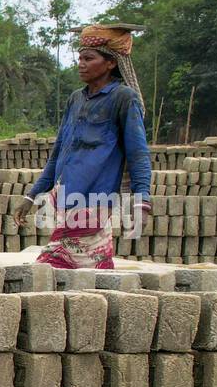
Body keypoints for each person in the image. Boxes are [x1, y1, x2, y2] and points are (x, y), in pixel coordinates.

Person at [16, 23, 152, 270]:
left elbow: (138, 153)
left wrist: (142, 201)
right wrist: (32, 195)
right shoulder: (76, 99)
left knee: (55, 266)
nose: (81, 63)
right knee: (81, 274)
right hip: (65, 198)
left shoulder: (122, 98)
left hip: (95, 200)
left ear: (111, 63)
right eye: (79, 58)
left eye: (89, 58)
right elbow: (59, 153)